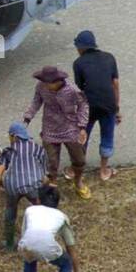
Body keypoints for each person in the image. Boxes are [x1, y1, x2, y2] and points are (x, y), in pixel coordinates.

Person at [22, 65, 91, 200]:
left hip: (70, 127)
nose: (46, 85)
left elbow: (84, 105)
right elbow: (36, 101)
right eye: (44, 82)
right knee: (51, 162)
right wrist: (27, 118)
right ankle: (52, 187)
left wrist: (82, 127)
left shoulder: (72, 90)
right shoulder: (41, 86)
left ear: (58, 81)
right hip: (50, 128)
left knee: (79, 159)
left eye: (49, 83)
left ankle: (78, 182)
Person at [18, 186, 80, 272]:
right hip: (46, 245)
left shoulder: (30, 210)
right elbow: (70, 245)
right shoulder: (61, 217)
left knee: (29, 258)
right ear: (57, 203)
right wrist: (77, 270)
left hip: (26, 243)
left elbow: (25, 233)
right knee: (66, 264)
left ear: (39, 200)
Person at [0, 122, 49, 251]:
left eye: (10, 136)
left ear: (14, 136)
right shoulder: (38, 149)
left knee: (11, 211)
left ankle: (10, 244)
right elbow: (45, 175)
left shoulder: (7, 151)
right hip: (32, 185)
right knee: (39, 210)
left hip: (13, 187)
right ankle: (42, 238)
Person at [72, 31, 120, 182]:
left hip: (89, 107)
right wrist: (116, 108)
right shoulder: (109, 57)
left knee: (82, 136)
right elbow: (115, 84)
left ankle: (77, 169)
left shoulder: (78, 63)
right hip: (108, 105)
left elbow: (80, 90)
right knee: (107, 136)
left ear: (81, 47)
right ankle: (104, 170)